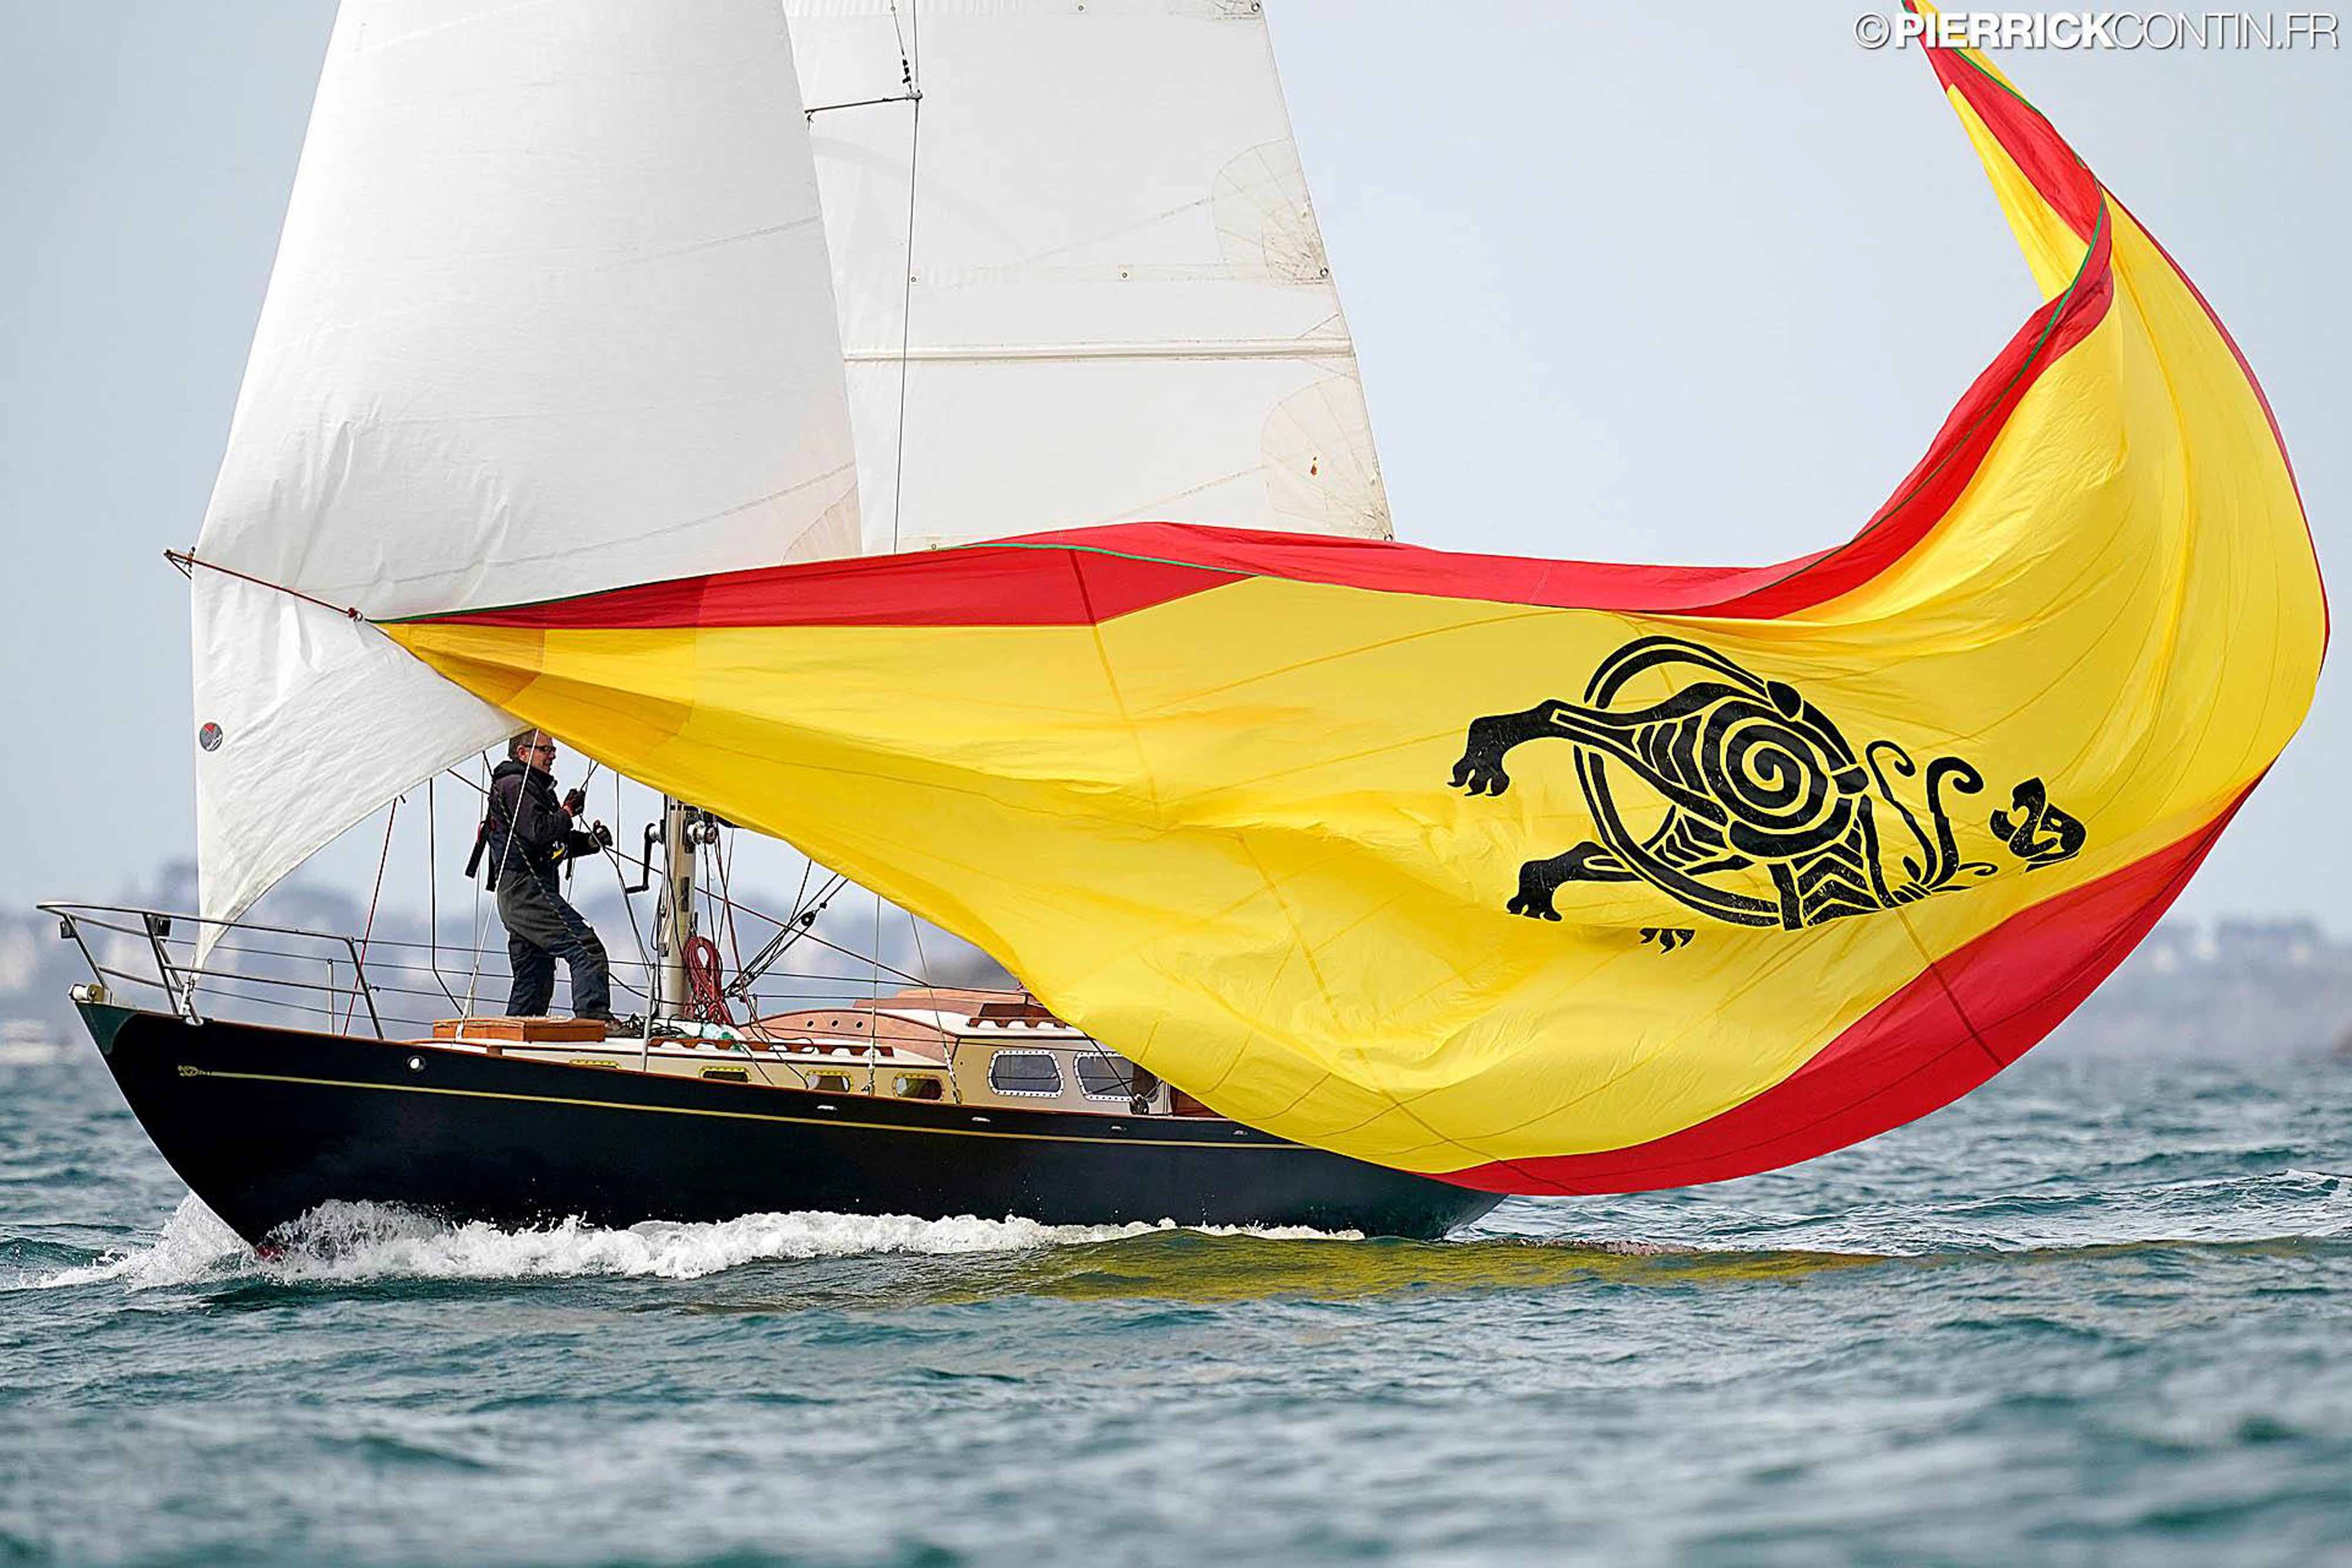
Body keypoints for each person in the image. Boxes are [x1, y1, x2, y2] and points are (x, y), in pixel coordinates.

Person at [479, 728, 614, 1021]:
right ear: (523, 753)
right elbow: (540, 831)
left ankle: (516, 1044)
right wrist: (567, 812)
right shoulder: (516, 785)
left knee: (535, 975)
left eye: (552, 751)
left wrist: (590, 842)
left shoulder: (528, 786)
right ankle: (595, 1021)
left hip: (520, 893)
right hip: (526, 890)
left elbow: (549, 843)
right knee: (585, 948)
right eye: (545, 750)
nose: (552, 756)